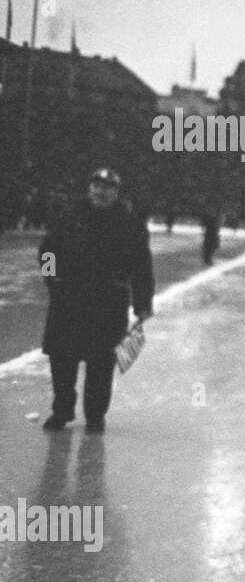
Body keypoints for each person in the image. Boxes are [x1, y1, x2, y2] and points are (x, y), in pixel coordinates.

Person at [38, 168, 155, 434]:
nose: (101, 192)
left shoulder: (130, 223)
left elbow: (141, 266)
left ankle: (95, 416)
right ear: (89, 188)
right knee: (62, 359)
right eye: (97, 186)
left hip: (108, 302)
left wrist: (143, 303)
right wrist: (51, 280)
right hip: (68, 299)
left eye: (107, 187)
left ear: (116, 191)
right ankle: (62, 411)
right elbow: (47, 249)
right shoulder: (69, 215)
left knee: (101, 364)